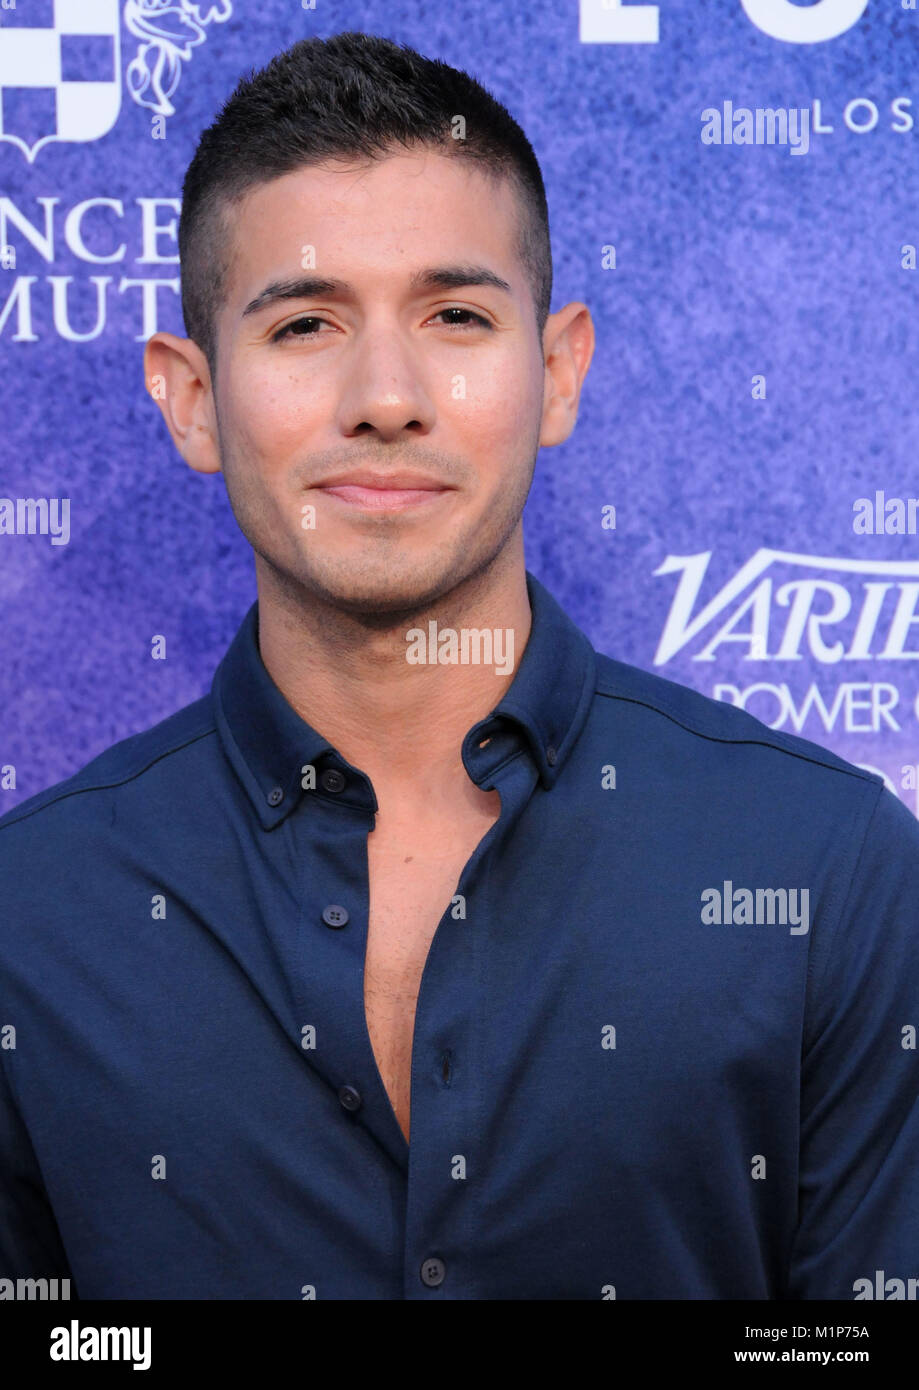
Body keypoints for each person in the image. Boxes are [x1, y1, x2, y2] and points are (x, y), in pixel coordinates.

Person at [1, 31, 917, 1302]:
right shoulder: (31, 914)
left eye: (455, 317)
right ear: (192, 399)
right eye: (306, 323)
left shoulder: (829, 868)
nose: (386, 396)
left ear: (556, 374)